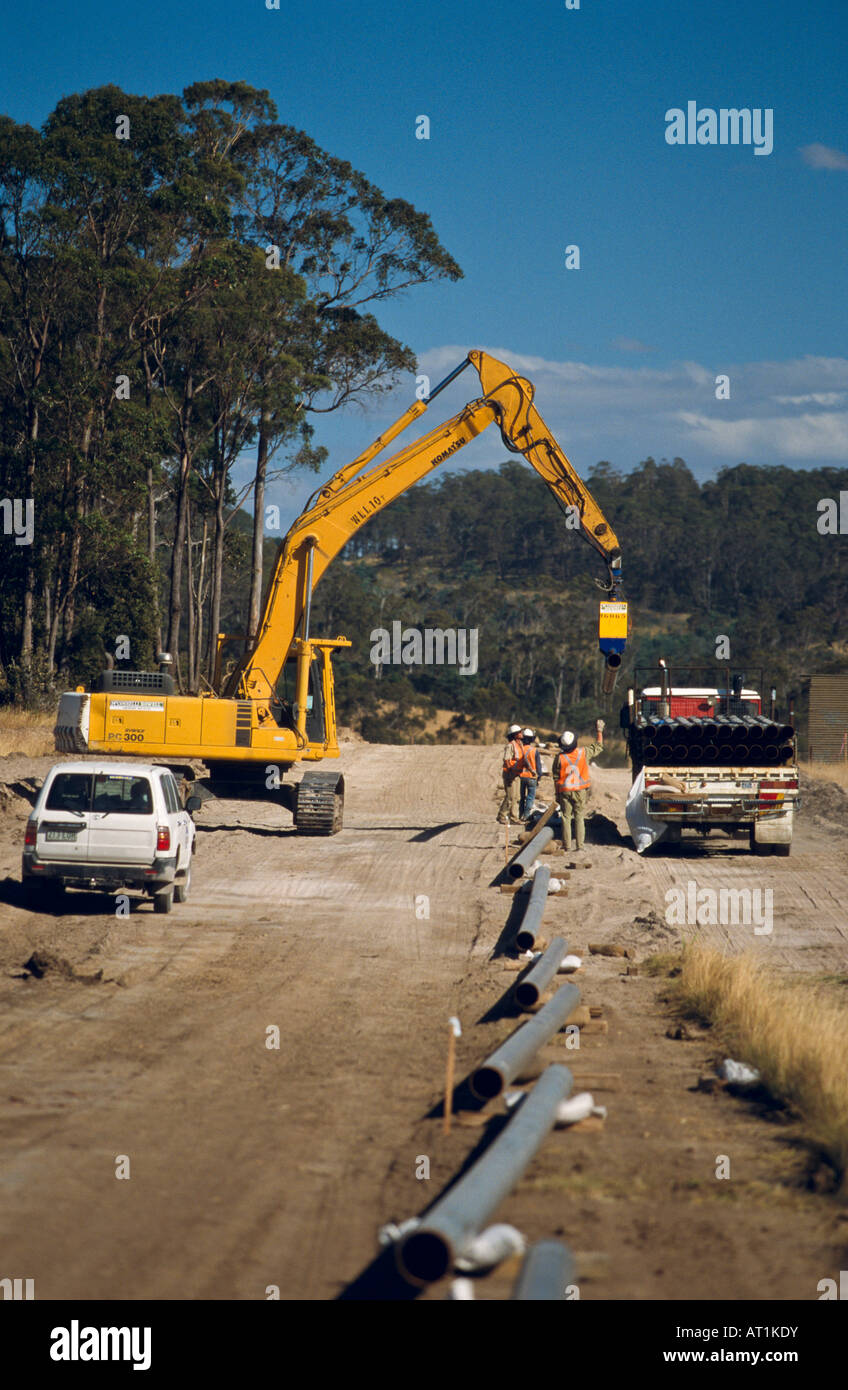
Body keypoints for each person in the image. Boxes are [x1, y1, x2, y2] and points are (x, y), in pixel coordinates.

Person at [552, 719, 605, 852]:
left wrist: (557, 794)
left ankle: (567, 845)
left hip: (564, 791)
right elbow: (598, 746)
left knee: (565, 818)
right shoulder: (583, 753)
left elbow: (556, 777)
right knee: (579, 817)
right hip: (580, 791)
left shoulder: (559, 758)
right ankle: (580, 846)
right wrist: (599, 731)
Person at [497, 724, 524, 824]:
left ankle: (514, 817)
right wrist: (511, 771)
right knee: (510, 796)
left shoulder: (519, 745)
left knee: (517, 797)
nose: (521, 734)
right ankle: (502, 815)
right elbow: (507, 760)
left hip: (517, 774)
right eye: (519, 732)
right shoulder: (510, 745)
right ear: (515, 734)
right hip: (510, 774)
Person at [517, 727, 541, 821]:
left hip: (521, 776)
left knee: (522, 797)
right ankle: (526, 816)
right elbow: (539, 767)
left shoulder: (520, 749)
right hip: (532, 777)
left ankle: (520, 815)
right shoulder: (535, 751)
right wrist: (539, 778)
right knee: (530, 798)